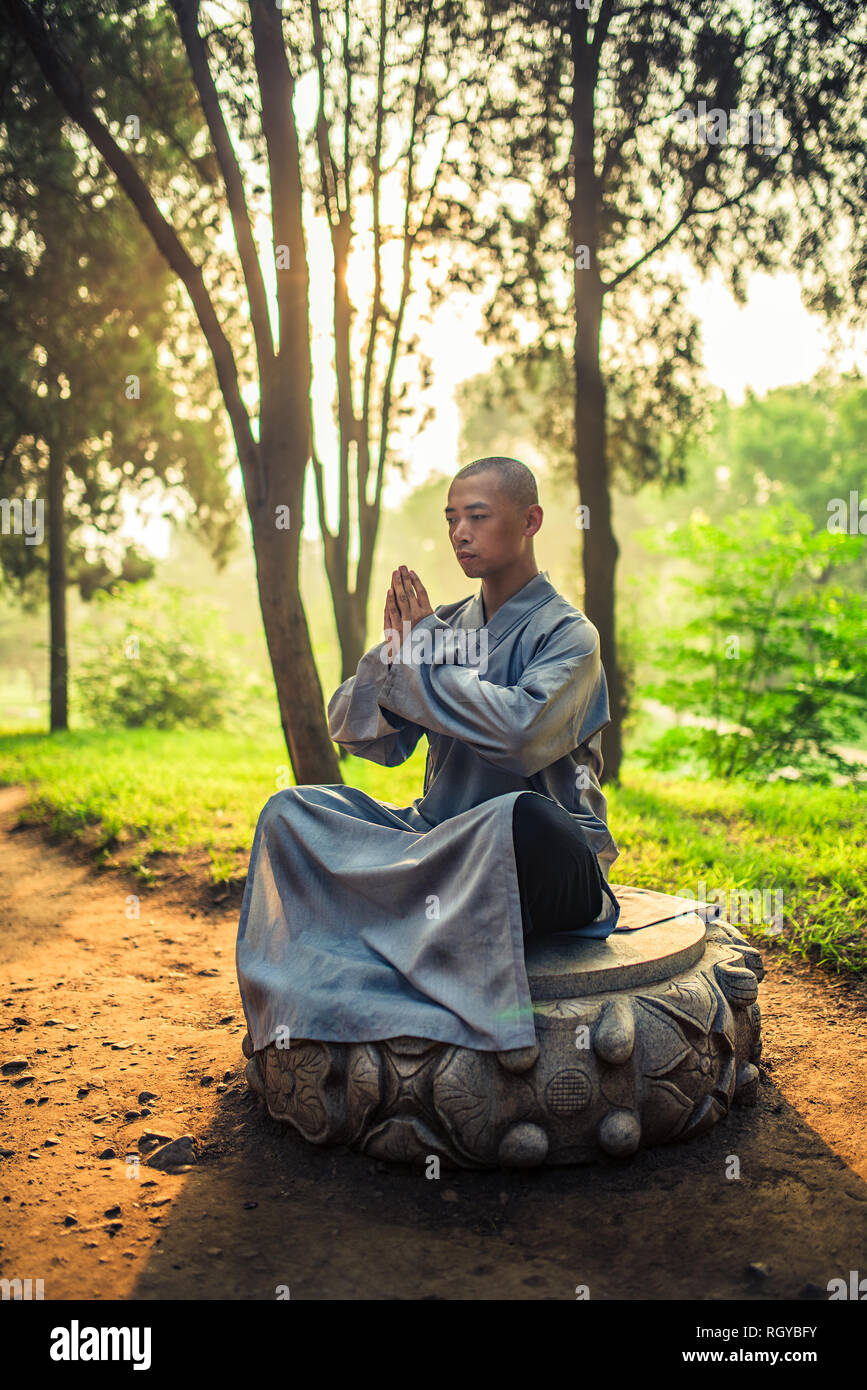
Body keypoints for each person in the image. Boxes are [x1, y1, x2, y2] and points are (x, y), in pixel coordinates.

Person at [236, 456, 621, 1056]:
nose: (460, 533)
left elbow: (520, 737)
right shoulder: (440, 626)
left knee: (523, 816)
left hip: (538, 859)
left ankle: (383, 917)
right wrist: (397, 655)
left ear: (530, 521)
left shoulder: (570, 634)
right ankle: (405, 914)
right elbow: (358, 731)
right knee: (289, 813)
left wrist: (426, 661)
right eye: (452, 519)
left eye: (477, 516)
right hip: (439, 848)